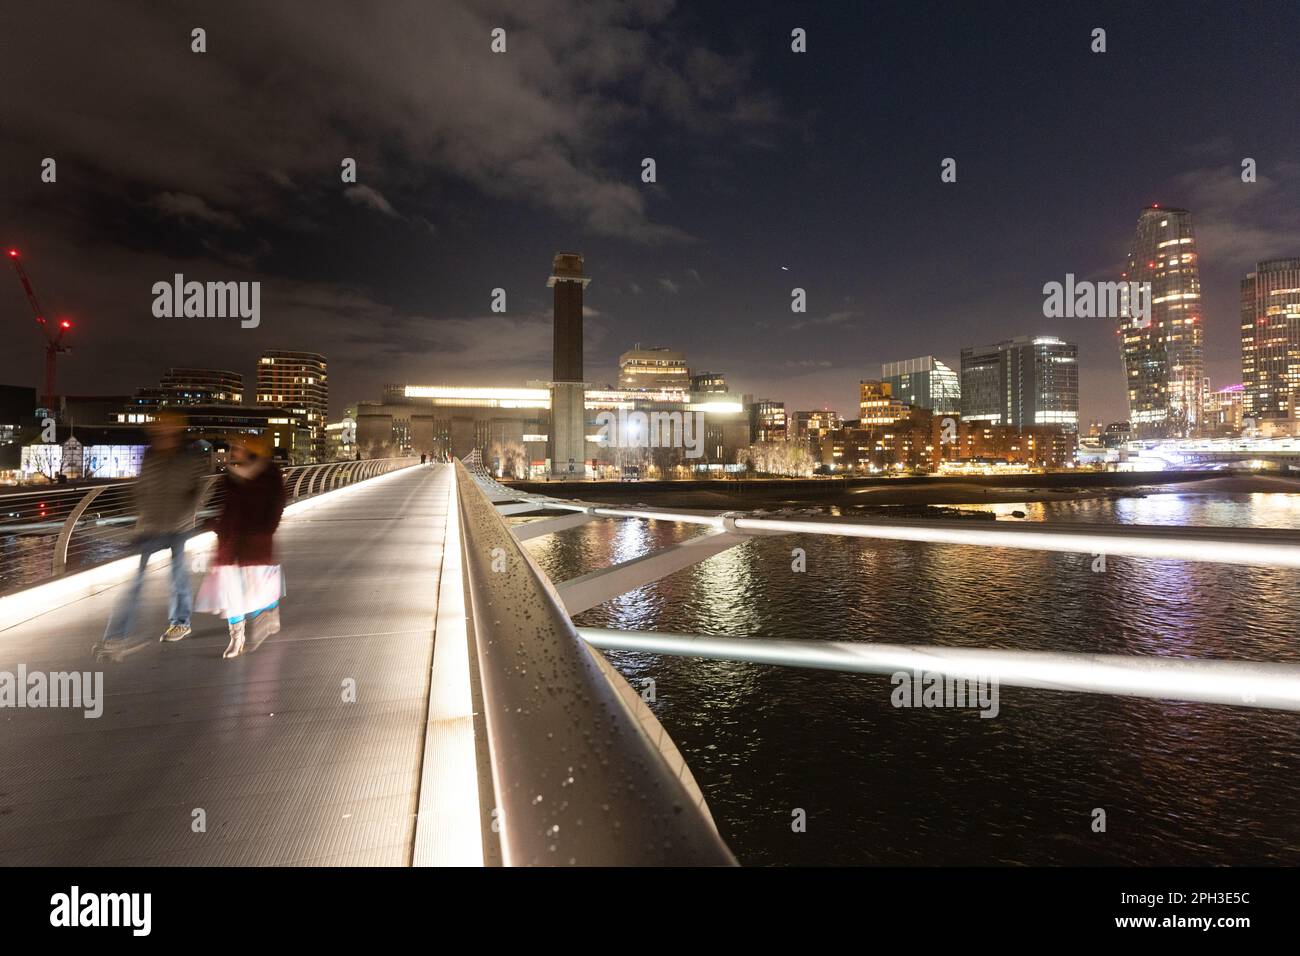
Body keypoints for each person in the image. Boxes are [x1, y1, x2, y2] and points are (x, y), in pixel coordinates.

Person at [95, 412, 206, 661]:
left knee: (178, 577)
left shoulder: (189, 458)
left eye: (166, 426)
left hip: (178, 527)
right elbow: (140, 489)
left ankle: (180, 623)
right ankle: (117, 636)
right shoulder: (150, 456)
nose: (161, 430)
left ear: (176, 430)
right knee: (136, 582)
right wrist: (140, 518)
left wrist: (184, 515)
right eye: (159, 427)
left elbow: (197, 491)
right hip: (149, 528)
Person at [195, 434, 287, 659]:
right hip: (230, 543)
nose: (232, 452)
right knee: (231, 592)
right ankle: (237, 637)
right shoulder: (229, 478)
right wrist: (213, 524)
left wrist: (267, 529)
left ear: (251, 451)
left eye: (237, 448)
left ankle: (269, 610)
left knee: (258, 588)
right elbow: (223, 508)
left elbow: (277, 504)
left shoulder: (269, 475)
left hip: (256, 542)